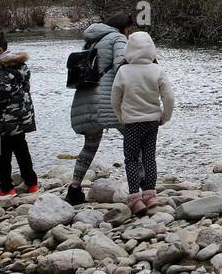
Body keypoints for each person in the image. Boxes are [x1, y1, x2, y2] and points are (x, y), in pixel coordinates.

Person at [65, 11, 134, 205]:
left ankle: (74, 189)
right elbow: (122, 66)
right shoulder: (118, 38)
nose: (131, 32)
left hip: (85, 98)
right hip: (106, 100)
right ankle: (143, 186)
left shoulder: (92, 41)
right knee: (134, 139)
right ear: (125, 27)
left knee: (89, 146)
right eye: (130, 28)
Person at [111, 30, 174, 215]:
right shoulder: (157, 70)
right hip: (152, 121)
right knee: (149, 157)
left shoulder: (123, 71)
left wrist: (120, 116)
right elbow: (169, 97)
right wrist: (165, 116)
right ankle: (150, 195)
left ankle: (135, 198)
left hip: (131, 123)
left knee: (131, 159)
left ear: (128, 50)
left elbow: (114, 98)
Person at [0, 31, 38, 197]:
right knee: (21, 150)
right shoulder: (21, 65)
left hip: (0, 120)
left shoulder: (0, 67)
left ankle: (6, 188)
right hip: (20, 117)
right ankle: (32, 184)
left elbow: (2, 93)